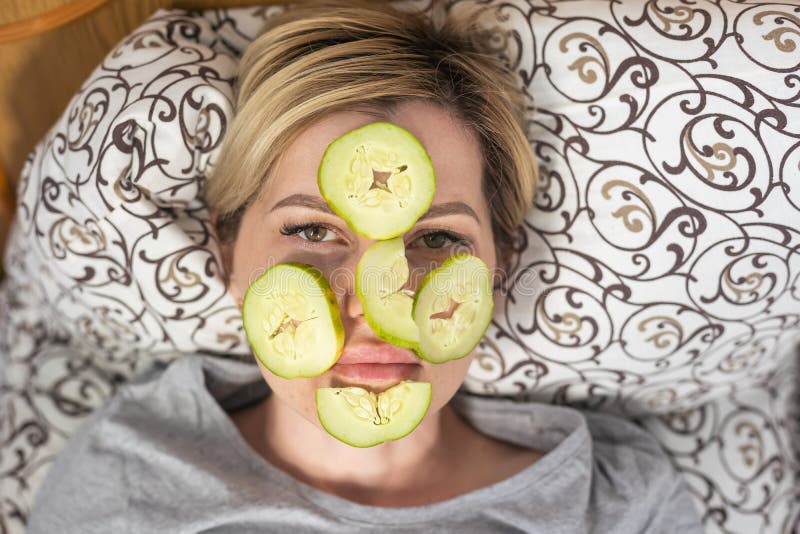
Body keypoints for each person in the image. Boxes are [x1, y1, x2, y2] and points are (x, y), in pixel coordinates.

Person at [28, 1, 702, 532]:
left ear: (501, 264)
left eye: (437, 239)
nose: (375, 303)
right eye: (314, 229)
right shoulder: (127, 491)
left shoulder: (616, 506)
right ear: (228, 252)